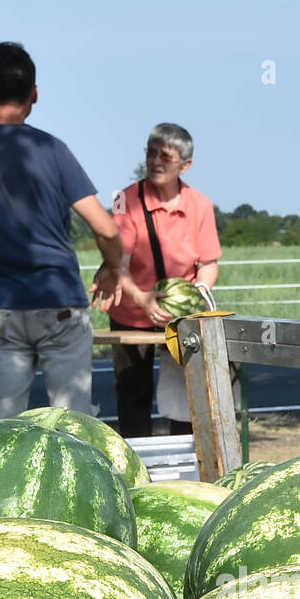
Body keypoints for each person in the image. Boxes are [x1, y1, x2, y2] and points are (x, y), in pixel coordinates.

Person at [0, 42, 124, 419]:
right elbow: (105, 228)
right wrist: (113, 269)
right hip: (59, 302)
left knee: (4, 431)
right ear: (34, 94)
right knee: (73, 426)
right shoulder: (52, 149)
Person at [100, 124, 222, 437]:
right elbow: (118, 263)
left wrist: (199, 292)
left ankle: (186, 467)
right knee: (132, 395)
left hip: (182, 317)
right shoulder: (123, 200)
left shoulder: (200, 205)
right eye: (151, 153)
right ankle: (135, 469)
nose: (155, 161)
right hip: (131, 310)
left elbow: (208, 264)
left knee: (185, 397)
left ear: (185, 165)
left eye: (165, 156)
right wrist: (140, 297)